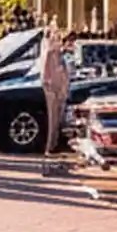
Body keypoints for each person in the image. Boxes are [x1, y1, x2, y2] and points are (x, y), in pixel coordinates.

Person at [39, 26, 69, 176]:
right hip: (52, 91)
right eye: (55, 35)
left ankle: (53, 148)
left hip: (60, 90)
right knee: (51, 123)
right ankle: (48, 151)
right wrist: (48, 87)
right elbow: (45, 73)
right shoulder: (49, 52)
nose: (58, 38)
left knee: (56, 122)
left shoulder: (59, 53)